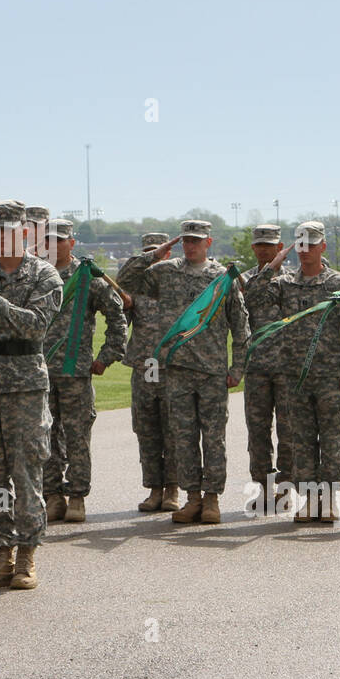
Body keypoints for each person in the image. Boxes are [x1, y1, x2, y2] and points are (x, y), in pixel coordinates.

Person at [118, 220, 249, 525]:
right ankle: (192, 498)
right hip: (175, 369)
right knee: (184, 439)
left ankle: (213, 498)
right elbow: (126, 280)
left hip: (211, 370)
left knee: (213, 438)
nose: (191, 246)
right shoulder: (165, 273)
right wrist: (155, 254)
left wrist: (237, 368)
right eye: (186, 240)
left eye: (197, 241)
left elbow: (240, 328)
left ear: (209, 243)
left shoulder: (223, 279)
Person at [0, 201, 62, 590]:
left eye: (10, 230)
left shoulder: (43, 275)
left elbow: (37, 326)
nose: (2, 237)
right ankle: (1, 555)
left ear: (26, 233)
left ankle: (27, 556)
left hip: (25, 387)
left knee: (26, 472)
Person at [246, 222, 340, 522]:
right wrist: (272, 266)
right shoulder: (285, 282)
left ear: (322, 246)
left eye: (311, 244)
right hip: (294, 378)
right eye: (300, 244)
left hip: (329, 378)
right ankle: (310, 498)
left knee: (331, 441)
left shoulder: (339, 284)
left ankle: (331, 499)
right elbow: (254, 298)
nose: (305, 250)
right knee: (301, 442)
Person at [41, 218, 127, 522]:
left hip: (75, 372)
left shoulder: (88, 277)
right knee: (45, 436)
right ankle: (52, 495)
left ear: (71, 243)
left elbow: (117, 318)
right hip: (39, 373)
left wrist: (107, 356)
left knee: (77, 437)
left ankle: (77, 496)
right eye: (47, 240)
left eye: (59, 240)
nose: (53, 245)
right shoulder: (35, 275)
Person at [121, 232, 179, 513]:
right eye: (148, 253)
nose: (154, 257)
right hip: (144, 368)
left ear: (169, 254)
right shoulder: (136, 288)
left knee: (173, 429)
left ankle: (172, 489)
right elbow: (120, 282)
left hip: (172, 367)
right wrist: (150, 257)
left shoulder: (178, 281)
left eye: (158, 252)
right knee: (146, 431)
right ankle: (154, 489)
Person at [240, 224, 287, 514]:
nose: (264, 250)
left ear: (279, 247)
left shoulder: (293, 280)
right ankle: (264, 487)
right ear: (253, 248)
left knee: (288, 431)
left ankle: (285, 489)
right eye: (259, 245)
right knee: (257, 432)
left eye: (270, 245)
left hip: (286, 366)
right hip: (256, 366)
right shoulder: (244, 280)